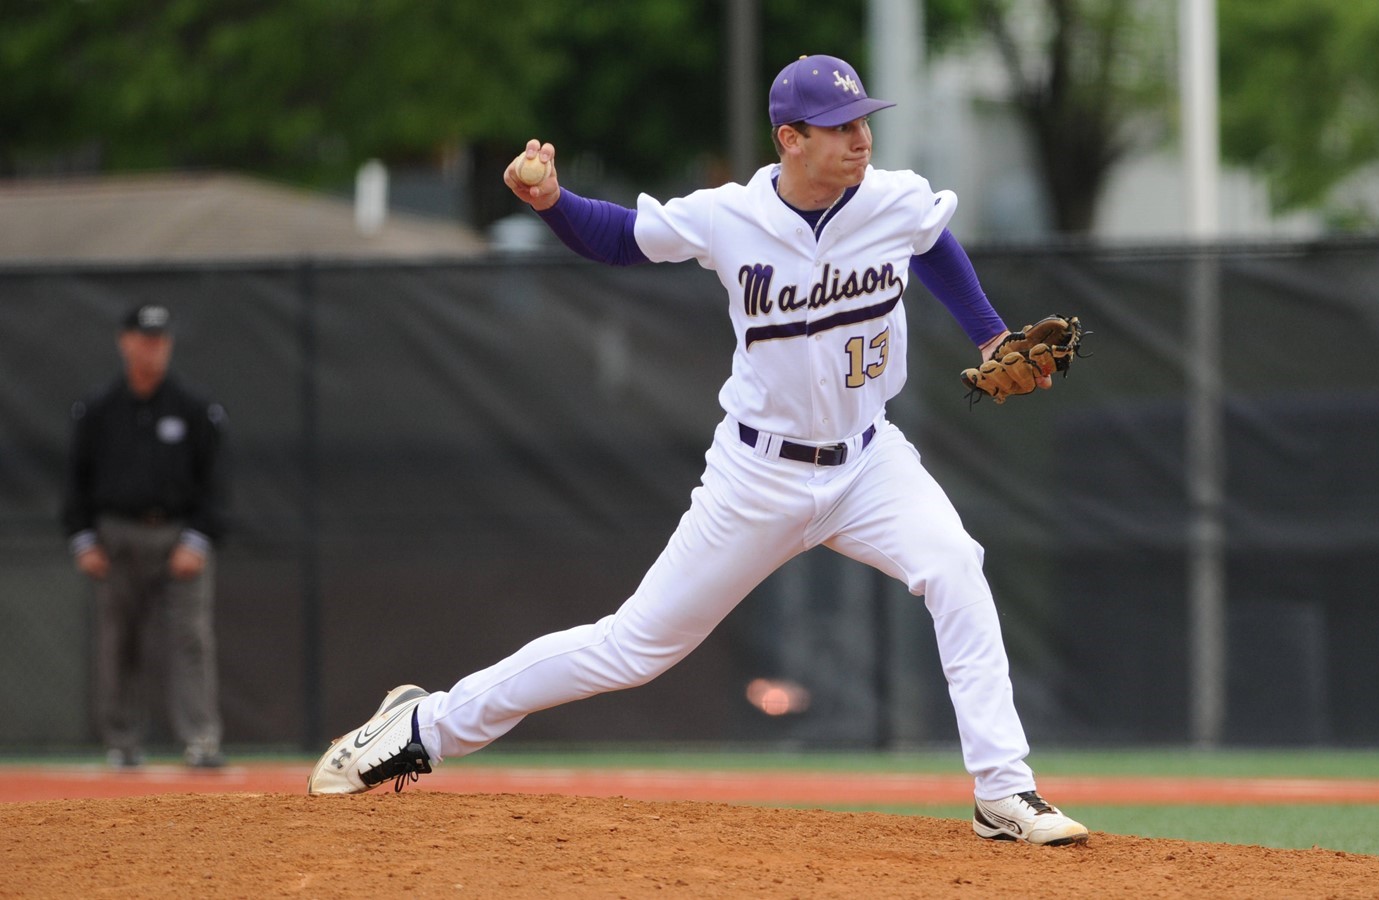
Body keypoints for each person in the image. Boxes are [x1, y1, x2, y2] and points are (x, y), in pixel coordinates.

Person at [308, 54, 1087, 846]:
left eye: (863, 122)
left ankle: (1004, 791)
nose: (860, 139)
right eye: (840, 128)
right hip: (759, 473)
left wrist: (991, 332)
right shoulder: (730, 216)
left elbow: (931, 239)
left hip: (868, 461)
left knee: (956, 564)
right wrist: (550, 200)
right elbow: (621, 238)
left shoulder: (891, 198)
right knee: (632, 649)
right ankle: (423, 726)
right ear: (790, 139)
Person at [62, 303, 229, 770]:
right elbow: (76, 479)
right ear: (125, 342)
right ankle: (122, 741)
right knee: (119, 641)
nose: (153, 349)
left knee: (191, 640)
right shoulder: (98, 410)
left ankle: (200, 739)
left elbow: (216, 479)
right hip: (116, 539)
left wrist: (197, 538)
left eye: (161, 340)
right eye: (144, 339)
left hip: (178, 537)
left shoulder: (194, 408)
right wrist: (83, 539)